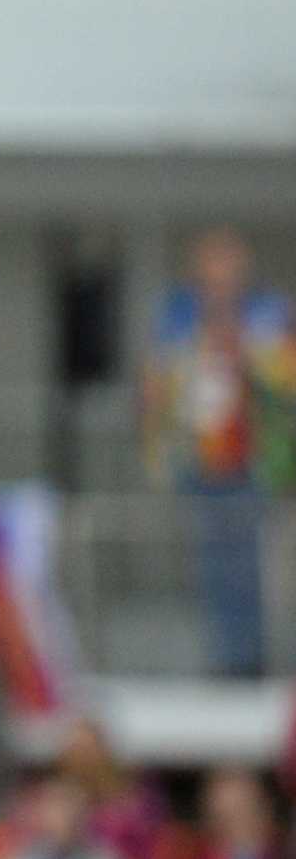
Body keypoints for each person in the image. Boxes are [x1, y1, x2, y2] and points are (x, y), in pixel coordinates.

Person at [143, 227, 294, 678]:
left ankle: (251, 661)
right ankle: (222, 660)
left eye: (228, 265)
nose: (220, 276)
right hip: (201, 459)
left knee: (250, 565)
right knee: (210, 566)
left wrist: (246, 349)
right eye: (211, 266)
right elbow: (157, 378)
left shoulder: (268, 312)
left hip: (252, 459)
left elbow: (284, 374)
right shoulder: (178, 313)